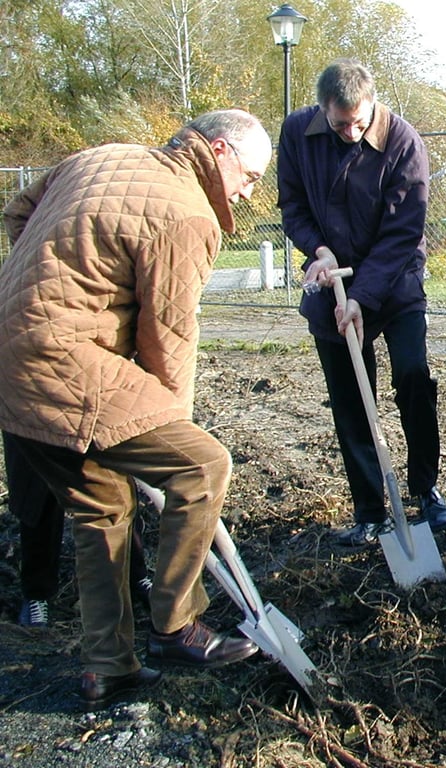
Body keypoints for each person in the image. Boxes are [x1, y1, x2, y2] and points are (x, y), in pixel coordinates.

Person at [0, 109, 273, 709]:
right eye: (250, 177)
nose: (248, 193)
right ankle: (177, 625)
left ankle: (109, 668)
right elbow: (168, 337)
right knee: (201, 467)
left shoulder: (98, 156)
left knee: (102, 506)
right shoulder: (187, 213)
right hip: (63, 365)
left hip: (9, 364)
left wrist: (52, 290)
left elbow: (19, 212)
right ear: (220, 151)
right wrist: (170, 424)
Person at [276, 57, 446, 547]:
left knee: (413, 377)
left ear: (373, 102)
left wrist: (363, 295)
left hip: (394, 284)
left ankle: (426, 490)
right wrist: (318, 250)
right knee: (351, 397)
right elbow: (291, 205)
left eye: (360, 120)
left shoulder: (402, 141)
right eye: (340, 123)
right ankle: (370, 509)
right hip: (329, 284)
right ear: (322, 110)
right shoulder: (297, 134)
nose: (352, 131)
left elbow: (403, 233)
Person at [4, 432, 153, 628]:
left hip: (90, 409)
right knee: (37, 490)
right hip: (31, 413)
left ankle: (137, 576)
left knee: (113, 483)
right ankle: (36, 594)